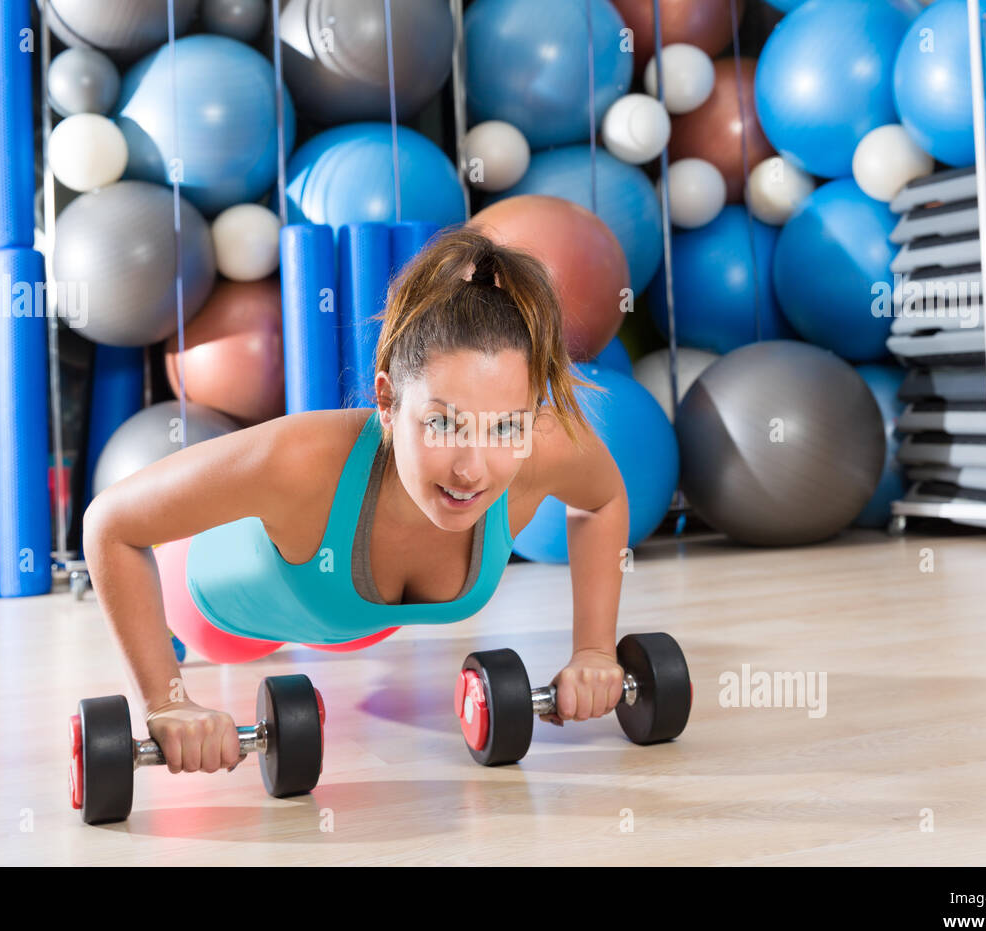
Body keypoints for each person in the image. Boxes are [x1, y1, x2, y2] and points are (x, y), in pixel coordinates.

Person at [82, 225, 630, 775]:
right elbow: (110, 524)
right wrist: (166, 701)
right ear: (387, 401)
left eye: (504, 427)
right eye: (443, 423)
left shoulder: (542, 447)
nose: (472, 469)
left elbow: (602, 500)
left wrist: (595, 651)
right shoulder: (299, 461)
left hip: (346, 623)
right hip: (213, 617)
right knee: (208, 635)